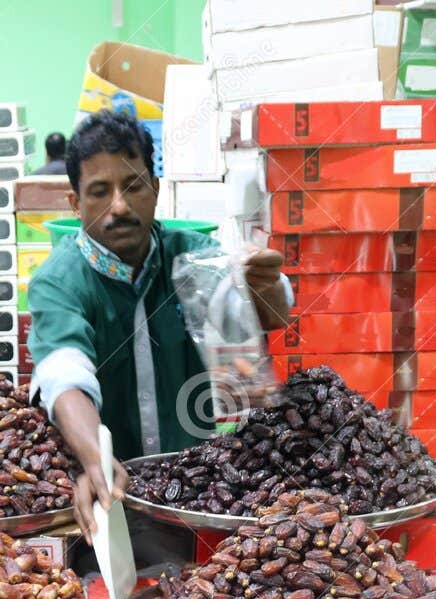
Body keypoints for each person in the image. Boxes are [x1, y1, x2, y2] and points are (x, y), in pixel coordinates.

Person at [27, 111, 291, 537]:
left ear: (154, 188)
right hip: (112, 498)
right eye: (99, 192)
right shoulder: (58, 282)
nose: (119, 206)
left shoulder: (197, 258)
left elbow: (272, 316)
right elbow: (64, 375)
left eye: (133, 186)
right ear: (76, 204)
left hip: (203, 499)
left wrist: (267, 283)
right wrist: (96, 457)